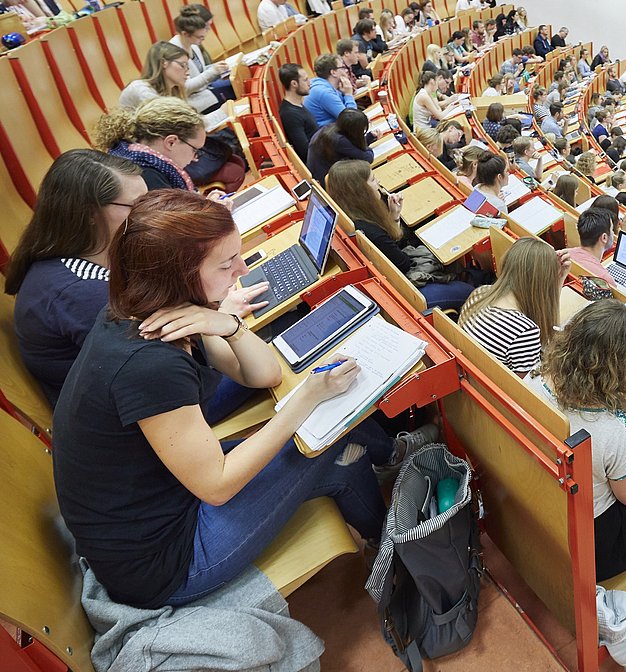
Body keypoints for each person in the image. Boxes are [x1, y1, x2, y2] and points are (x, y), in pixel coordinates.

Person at [53, 190, 390, 609]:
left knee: (339, 449)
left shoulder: (146, 310)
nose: (242, 270)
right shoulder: (149, 364)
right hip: (166, 562)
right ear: (178, 276)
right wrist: (305, 398)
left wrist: (227, 324)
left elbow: (264, 375)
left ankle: (388, 521)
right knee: (328, 435)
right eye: (227, 263)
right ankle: (397, 548)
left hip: (166, 500)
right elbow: (217, 485)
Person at [540, 300, 626, 580]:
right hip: (595, 547)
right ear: (622, 369)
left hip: (547, 510)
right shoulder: (610, 431)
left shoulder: (538, 378)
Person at [7, 151, 145, 404]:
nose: (149, 213)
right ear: (90, 213)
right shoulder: (80, 292)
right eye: (136, 206)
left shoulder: (83, 257)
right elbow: (156, 368)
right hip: (135, 414)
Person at [325, 160, 475, 310]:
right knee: (470, 292)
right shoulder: (372, 233)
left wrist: (394, 217)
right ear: (361, 190)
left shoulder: (349, 216)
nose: (378, 182)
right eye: (373, 179)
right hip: (406, 294)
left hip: (394, 283)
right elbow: (403, 264)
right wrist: (394, 223)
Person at [460, 237, 567, 375]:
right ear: (543, 282)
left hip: (473, 378)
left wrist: (559, 280)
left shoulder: (480, 294)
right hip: (498, 385)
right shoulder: (524, 332)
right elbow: (527, 385)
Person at [95, 97, 209, 192]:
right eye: (195, 150)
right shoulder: (148, 178)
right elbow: (177, 212)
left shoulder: (128, 153)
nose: (195, 158)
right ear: (171, 142)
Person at [306, 108, 372, 186]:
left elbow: (352, 148)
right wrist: (367, 145)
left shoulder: (330, 128)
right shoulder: (339, 141)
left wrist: (370, 137)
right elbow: (368, 158)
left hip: (318, 173)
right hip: (328, 182)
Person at [566, 209, 617, 286]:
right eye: (611, 230)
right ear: (604, 237)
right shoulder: (605, 280)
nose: (613, 233)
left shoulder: (564, 255)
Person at [304, 53, 357, 128]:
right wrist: (348, 94)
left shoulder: (325, 86)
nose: (346, 70)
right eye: (342, 67)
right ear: (333, 72)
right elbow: (352, 121)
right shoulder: (323, 92)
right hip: (331, 133)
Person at [277, 64, 317, 158]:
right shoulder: (289, 115)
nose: (309, 82)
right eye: (305, 80)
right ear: (294, 84)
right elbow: (306, 151)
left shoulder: (297, 105)